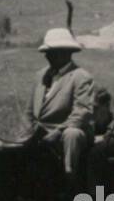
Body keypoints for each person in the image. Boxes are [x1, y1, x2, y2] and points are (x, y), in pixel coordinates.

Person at [27, 27, 95, 189]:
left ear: (65, 52)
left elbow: (82, 111)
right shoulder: (41, 75)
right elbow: (30, 110)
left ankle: (70, 180)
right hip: (41, 130)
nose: (46, 56)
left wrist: (58, 132)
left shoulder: (81, 77)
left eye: (51, 52)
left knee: (72, 134)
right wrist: (28, 129)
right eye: (46, 52)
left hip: (67, 130)